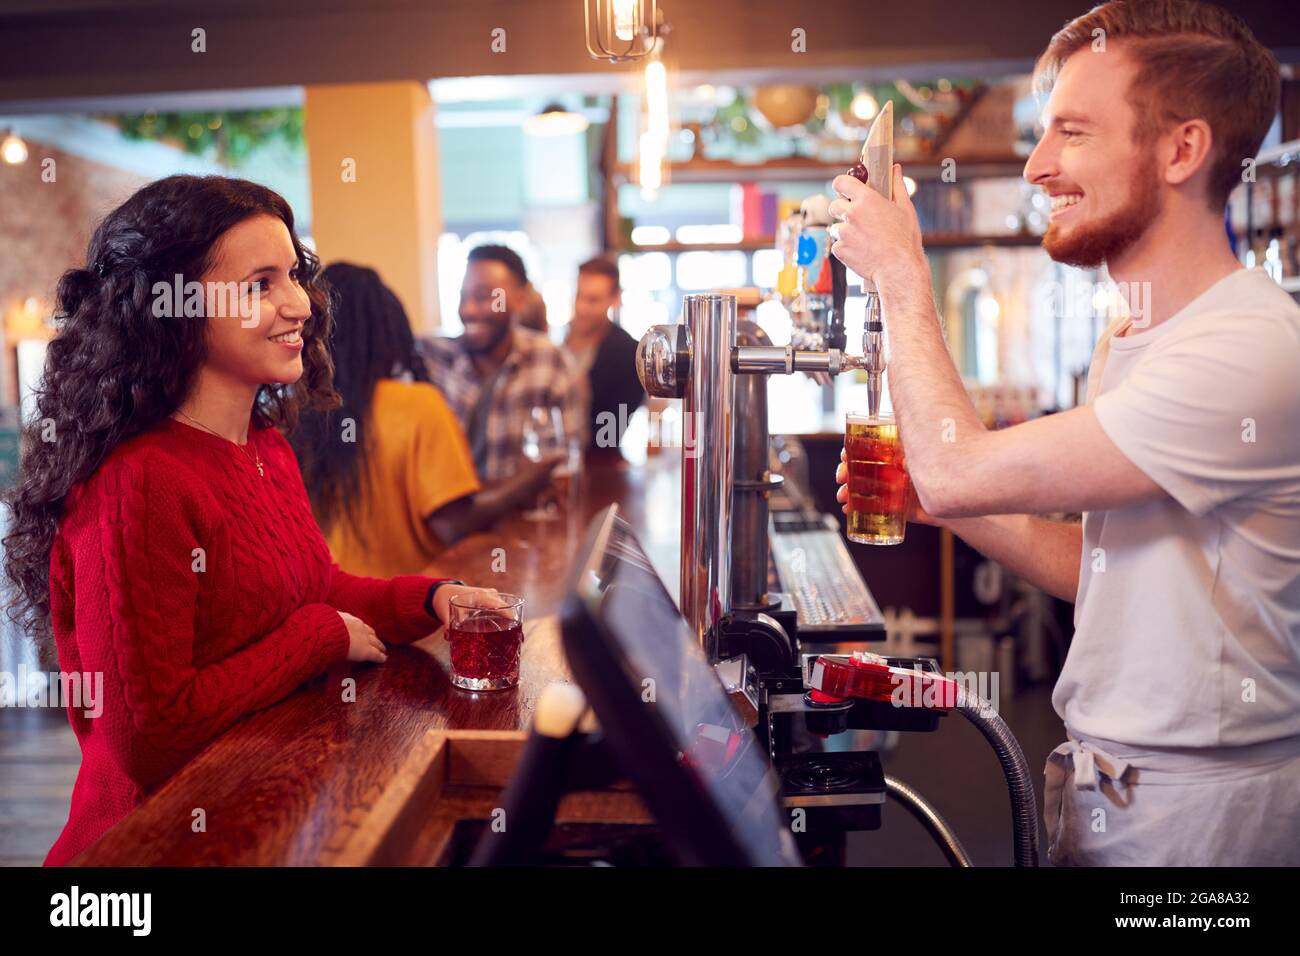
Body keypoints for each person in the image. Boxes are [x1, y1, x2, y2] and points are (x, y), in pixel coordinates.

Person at [830, 0, 1299, 866]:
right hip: (1113, 784)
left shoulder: (1250, 350)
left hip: (1206, 823)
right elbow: (1101, 574)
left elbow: (960, 468)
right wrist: (937, 500)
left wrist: (900, 273)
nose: (1039, 166)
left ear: (1181, 151)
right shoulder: (1131, 336)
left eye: (1073, 133)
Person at [3, 176, 499, 866]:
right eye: (259, 284)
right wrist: (317, 639)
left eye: (292, 275)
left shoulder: (264, 444)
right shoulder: (139, 484)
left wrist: (431, 598)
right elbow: (150, 735)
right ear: (171, 309)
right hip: (151, 845)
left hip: (256, 812)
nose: (300, 303)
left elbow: (318, 588)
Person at [291, 263, 559, 578]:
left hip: (331, 598)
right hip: (406, 604)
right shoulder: (418, 405)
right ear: (390, 330)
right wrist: (528, 482)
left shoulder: (301, 412)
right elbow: (452, 523)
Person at [421, 244, 586, 481]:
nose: (468, 309)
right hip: (447, 513)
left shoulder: (550, 362)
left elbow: (562, 467)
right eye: (463, 296)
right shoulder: (432, 359)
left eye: (482, 296)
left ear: (520, 299)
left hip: (522, 516)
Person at [564, 256, 645, 459]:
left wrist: (582, 393)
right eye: (578, 296)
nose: (581, 307)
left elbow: (609, 437)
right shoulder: (558, 339)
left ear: (615, 298)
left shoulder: (629, 355)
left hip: (596, 469)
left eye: (593, 300)